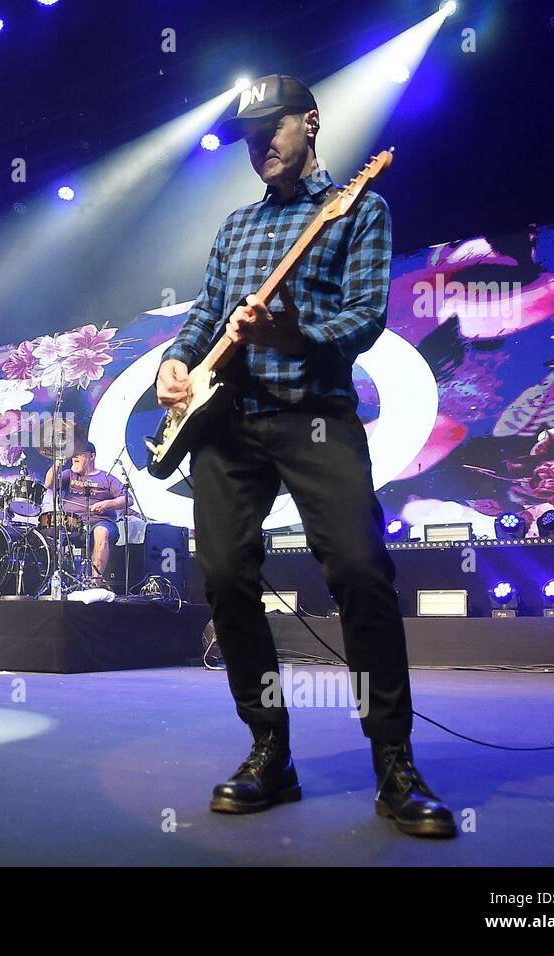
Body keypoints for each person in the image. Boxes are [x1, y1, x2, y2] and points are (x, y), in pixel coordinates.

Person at [156, 74, 455, 838]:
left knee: (359, 571)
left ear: (311, 123)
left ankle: (394, 763)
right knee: (224, 576)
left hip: (315, 417)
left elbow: (362, 320)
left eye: (273, 126)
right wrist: (178, 364)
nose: (260, 143)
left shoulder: (359, 208)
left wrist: (293, 336)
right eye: (249, 133)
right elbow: (205, 317)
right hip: (228, 424)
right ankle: (269, 752)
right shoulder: (233, 229)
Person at [43, 444, 126, 586]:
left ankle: (95, 582)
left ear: (92, 456)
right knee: (49, 530)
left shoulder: (106, 478)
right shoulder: (69, 474)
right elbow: (48, 483)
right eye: (74, 453)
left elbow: (127, 499)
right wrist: (58, 462)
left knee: (101, 532)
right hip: (71, 521)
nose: (75, 456)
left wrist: (106, 504)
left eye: (79, 453)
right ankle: (52, 581)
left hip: (100, 521)